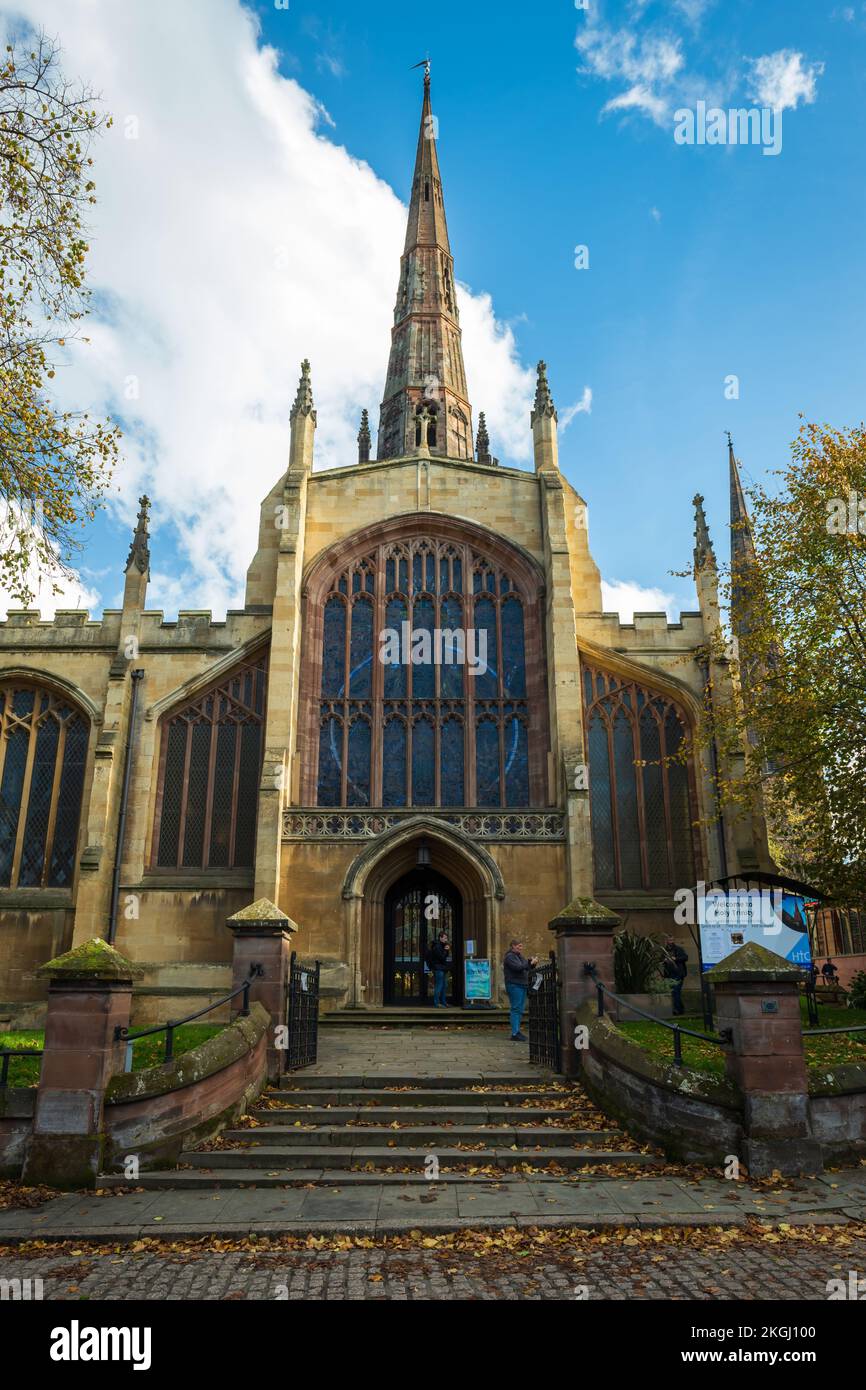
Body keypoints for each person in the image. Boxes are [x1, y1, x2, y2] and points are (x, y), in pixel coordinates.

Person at [503, 939, 538, 1041]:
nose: (520, 948)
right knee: (516, 1008)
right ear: (513, 946)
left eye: (521, 946)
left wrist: (532, 963)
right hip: (514, 985)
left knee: (520, 1009)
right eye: (518, 946)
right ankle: (515, 1033)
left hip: (522, 985)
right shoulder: (509, 957)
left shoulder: (519, 956)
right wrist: (529, 962)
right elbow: (518, 968)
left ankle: (517, 1032)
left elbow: (527, 968)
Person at [662, 935, 688, 1017]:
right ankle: (680, 1009)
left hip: (678, 973)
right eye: (669, 940)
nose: (670, 941)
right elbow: (660, 959)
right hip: (669, 974)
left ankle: (677, 1010)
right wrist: (664, 960)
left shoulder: (679, 949)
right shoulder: (664, 950)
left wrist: (675, 958)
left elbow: (685, 957)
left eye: (672, 940)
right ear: (666, 941)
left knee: (676, 991)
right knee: (673, 992)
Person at [428, 932, 452, 1007]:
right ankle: (437, 1003)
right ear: (440, 938)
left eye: (446, 938)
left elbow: (444, 957)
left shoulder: (442, 945)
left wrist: (446, 950)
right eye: (445, 938)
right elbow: (441, 957)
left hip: (442, 968)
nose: (446, 939)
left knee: (444, 986)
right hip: (438, 968)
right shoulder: (437, 946)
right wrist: (446, 950)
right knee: (439, 986)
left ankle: (444, 1002)